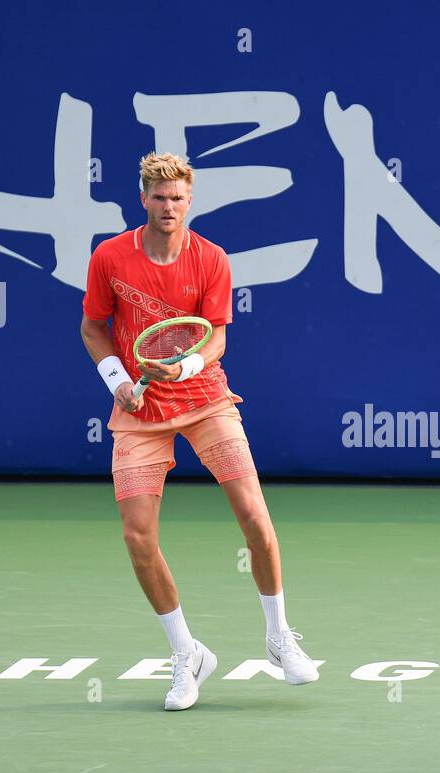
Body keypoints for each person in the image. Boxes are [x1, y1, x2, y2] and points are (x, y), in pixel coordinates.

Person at [79, 151, 318, 711]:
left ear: (191, 201)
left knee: (255, 517)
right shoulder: (110, 256)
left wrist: (185, 366)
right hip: (139, 408)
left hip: (205, 399)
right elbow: (93, 326)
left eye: (178, 198)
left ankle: (280, 637)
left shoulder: (211, 259)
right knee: (138, 539)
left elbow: (215, 338)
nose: (169, 207)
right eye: (159, 198)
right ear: (143, 199)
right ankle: (187, 653)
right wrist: (118, 380)